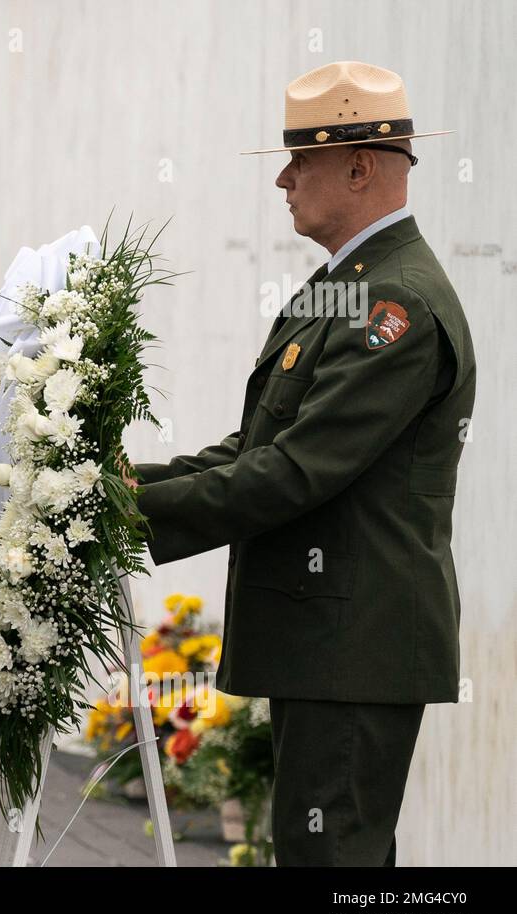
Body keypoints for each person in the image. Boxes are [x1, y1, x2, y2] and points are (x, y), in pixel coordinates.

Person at [133, 62, 474, 866]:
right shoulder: (351, 286)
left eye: (302, 161)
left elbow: (294, 473)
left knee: (334, 864)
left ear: (358, 167)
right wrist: (126, 484)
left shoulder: (396, 304)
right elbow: (259, 447)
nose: (284, 180)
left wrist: (123, 516)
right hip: (333, 636)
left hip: (355, 642)